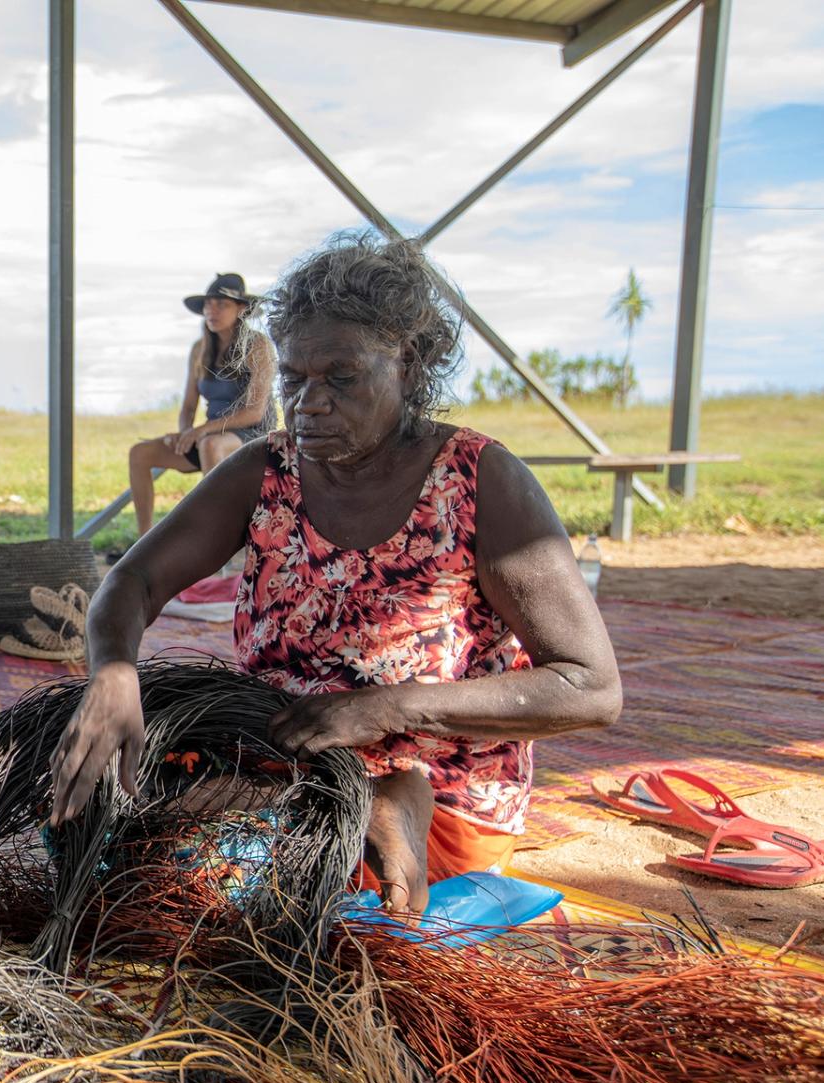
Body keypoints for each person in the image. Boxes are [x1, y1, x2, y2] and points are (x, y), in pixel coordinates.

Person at [51, 235, 621, 915]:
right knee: (91, 828)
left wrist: (389, 708)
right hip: (284, 759)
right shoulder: (269, 470)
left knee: (247, 891)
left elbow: (590, 688)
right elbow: (132, 581)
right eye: (293, 379)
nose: (309, 402)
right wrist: (114, 673)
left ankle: (384, 805)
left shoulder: (478, 482)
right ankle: (342, 809)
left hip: (439, 787)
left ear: (407, 366)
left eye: (340, 377)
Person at [126, 273, 280, 536]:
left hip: (252, 436)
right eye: (208, 304)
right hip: (210, 435)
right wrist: (186, 431)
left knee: (210, 444)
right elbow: (187, 407)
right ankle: (143, 540)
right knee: (140, 453)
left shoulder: (258, 345)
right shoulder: (200, 348)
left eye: (222, 304)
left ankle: (216, 538)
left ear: (241, 309)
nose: (212, 311)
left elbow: (254, 412)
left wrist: (202, 431)